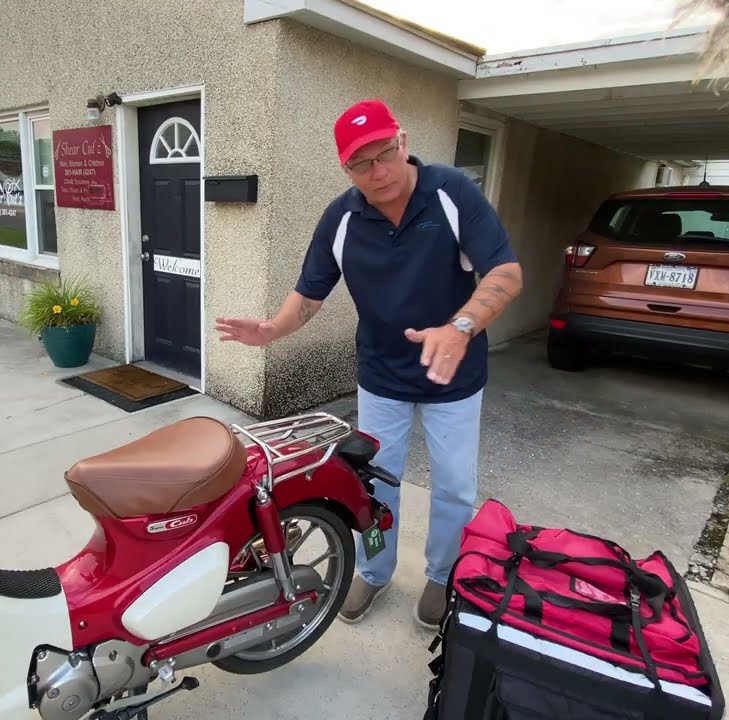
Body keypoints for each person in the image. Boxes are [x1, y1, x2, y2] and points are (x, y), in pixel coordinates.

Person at [215, 99, 523, 629]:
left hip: (453, 374)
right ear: (346, 169)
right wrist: (272, 329)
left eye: (384, 153)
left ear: (402, 141)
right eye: (361, 163)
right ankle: (376, 572)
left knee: (453, 485)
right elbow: (309, 295)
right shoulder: (342, 217)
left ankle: (442, 575)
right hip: (382, 376)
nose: (377, 172)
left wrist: (461, 328)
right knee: (376, 485)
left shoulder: (450, 194)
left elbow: (507, 274)